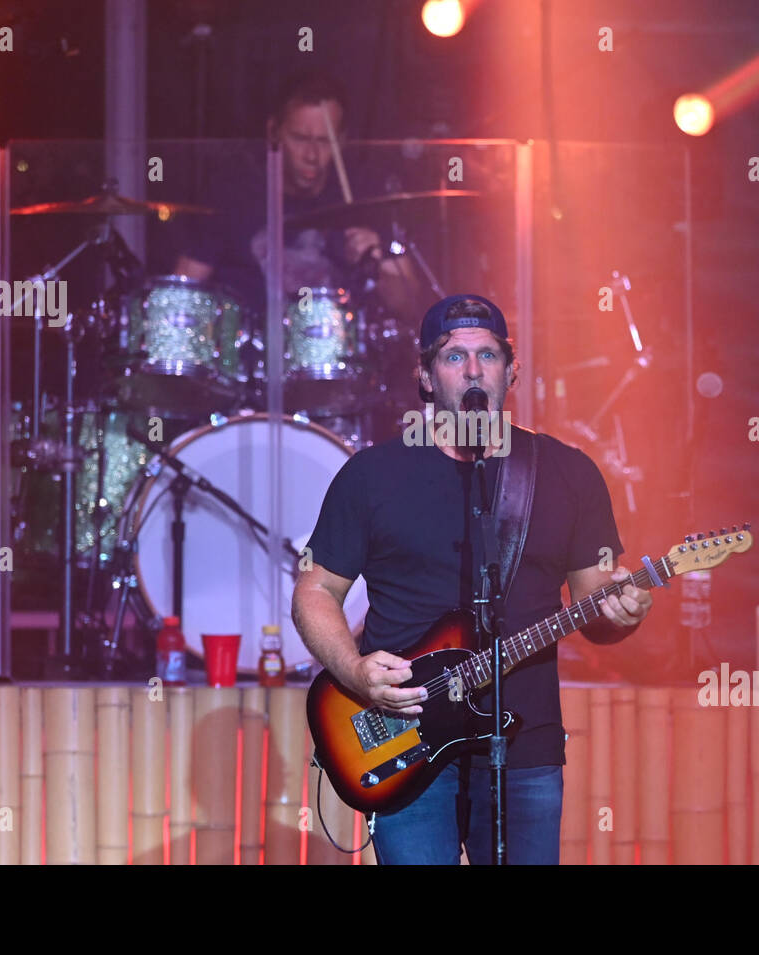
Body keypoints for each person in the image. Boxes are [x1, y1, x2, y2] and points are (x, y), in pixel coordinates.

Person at [291, 294, 653, 865]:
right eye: (453, 356)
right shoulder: (372, 474)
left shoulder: (567, 473)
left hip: (524, 740)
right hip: (405, 729)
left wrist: (623, 613)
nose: (473, 369)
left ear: (512, 370)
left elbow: (595, 606)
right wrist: (353, 670)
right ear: (426, 377)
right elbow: (315, 590)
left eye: (488, 354)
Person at [173, 71, 420, 316]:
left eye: (324, 142)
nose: (312, 155)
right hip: (253, 349)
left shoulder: (365, 194)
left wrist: (374, 264)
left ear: (342, 140)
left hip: (341, 348)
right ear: (273, 131)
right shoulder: (233, 193)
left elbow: (409, 305)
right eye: (300, 138)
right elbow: (181, 293)